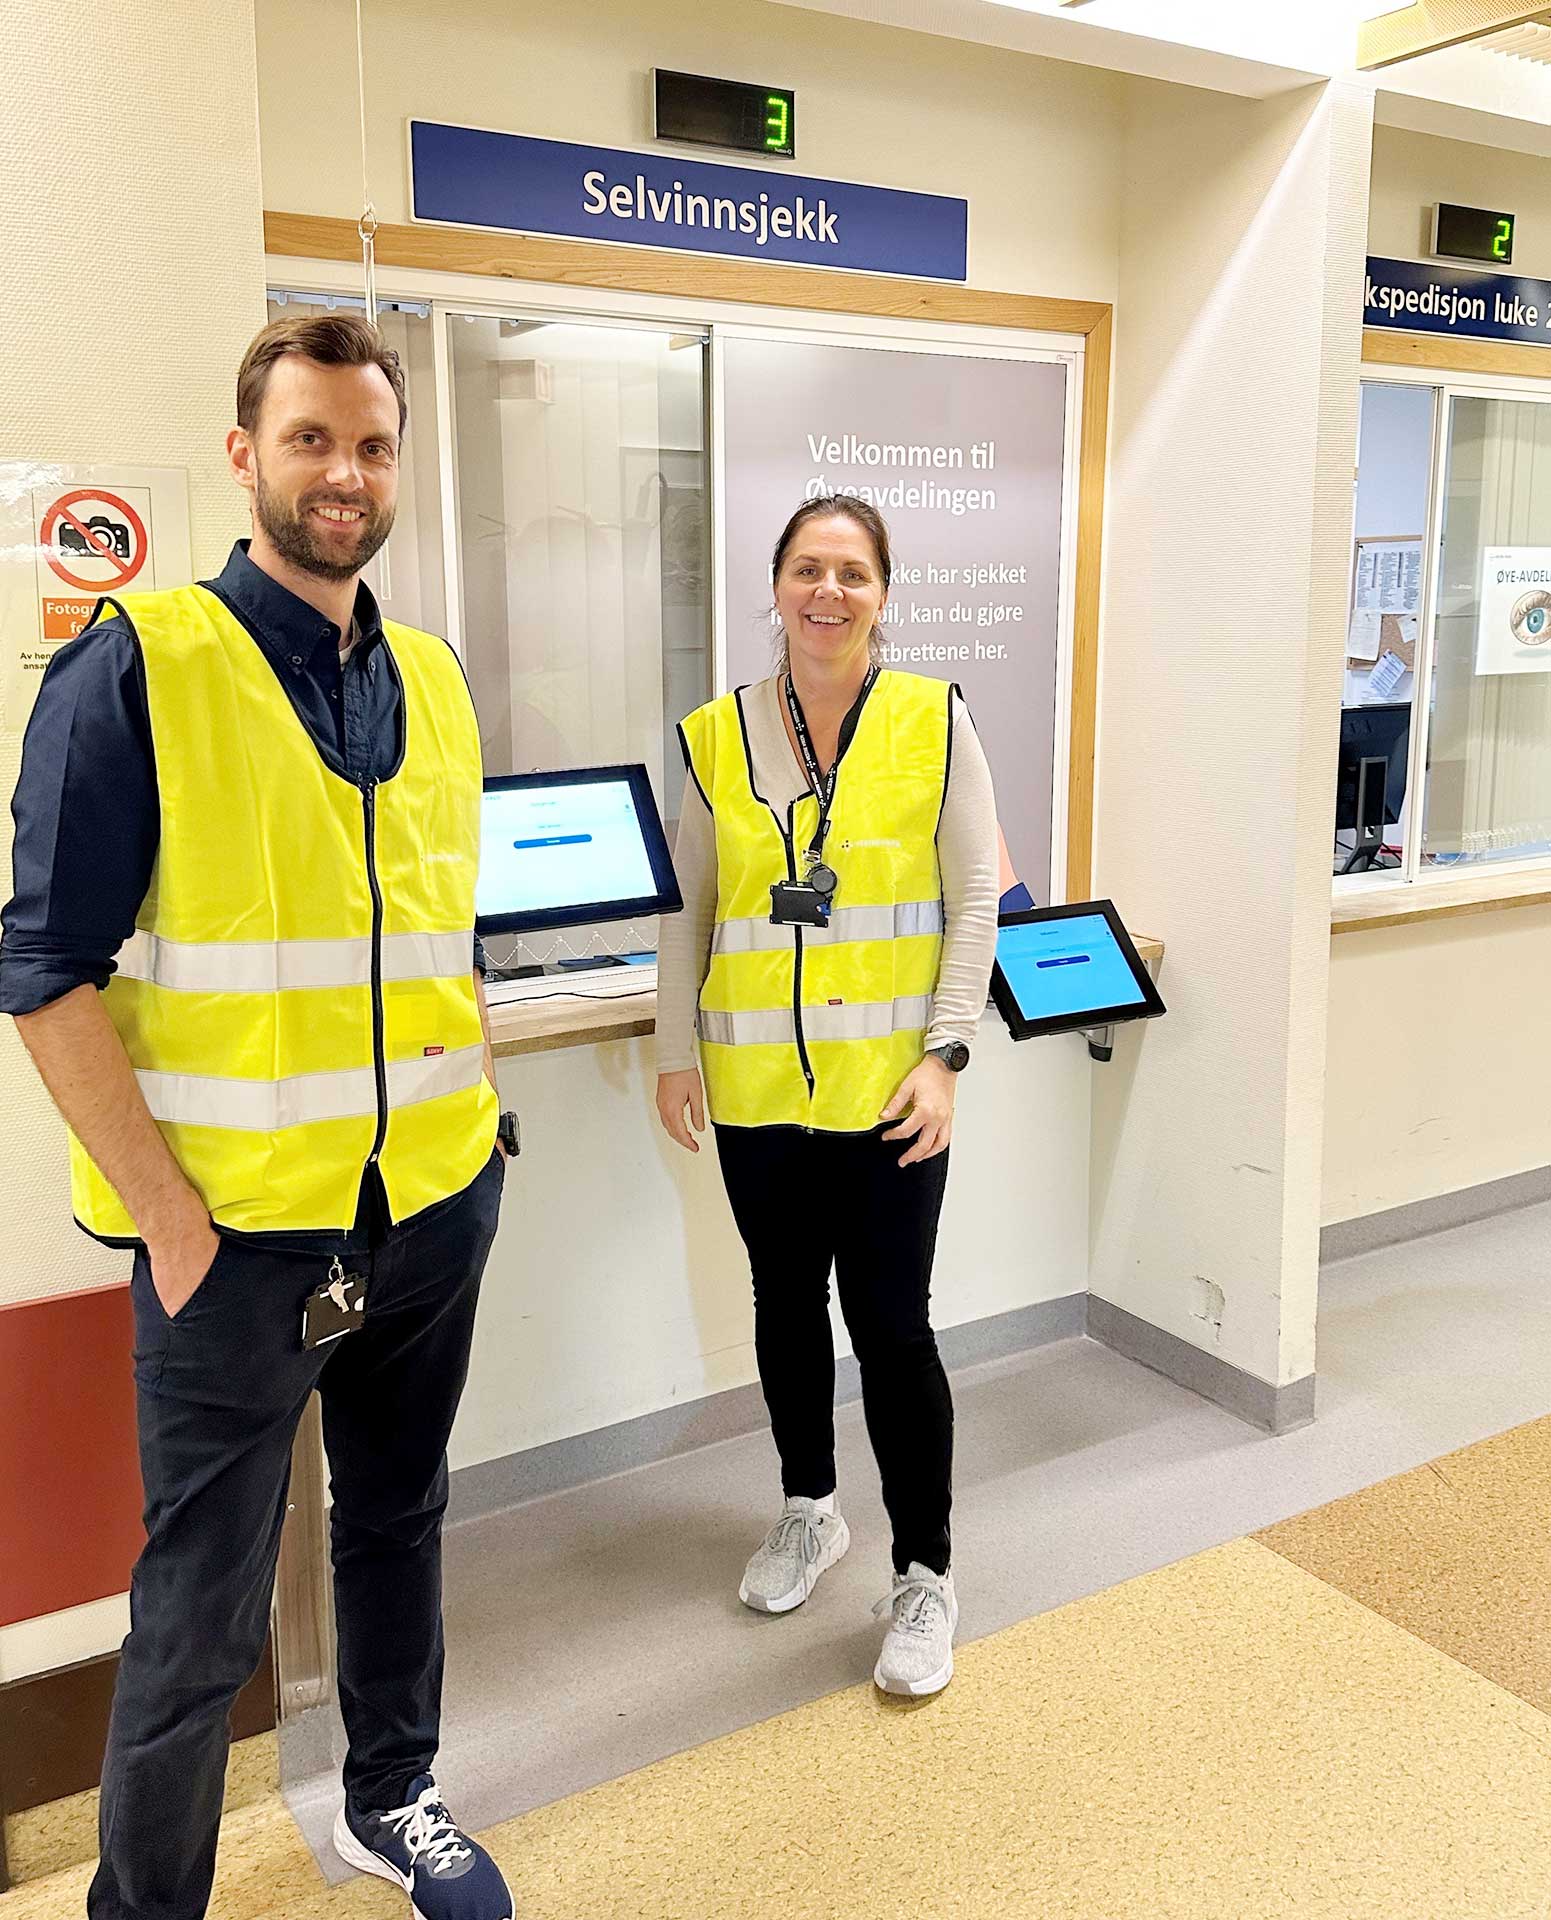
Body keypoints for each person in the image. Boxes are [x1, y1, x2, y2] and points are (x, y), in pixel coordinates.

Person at [0, 314, 522, 1920]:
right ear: (246, 456)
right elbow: (41, 971)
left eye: (370, 445)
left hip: (426, 1207)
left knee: (398, 1519)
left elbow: (437, 932)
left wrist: (478, 1130)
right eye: (310, 440)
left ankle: (387, 1798)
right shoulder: (135, 670)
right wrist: (162, 1211)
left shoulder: (430, 675)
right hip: (225, 1244)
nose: (344, 475)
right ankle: (144, 1905)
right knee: (201, 1609)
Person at [655, 496, 998, 1698]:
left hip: (892, 1101)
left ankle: (926, 1575)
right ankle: (811, 1508)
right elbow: (687, 906)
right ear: (777, 585)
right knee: (784, 1310)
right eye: (809, 568)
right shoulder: (712, 735)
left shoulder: (933, 720)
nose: (829, 592)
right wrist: (672, 1044)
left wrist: (946, 1054)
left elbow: (973, 902)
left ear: (884, 594)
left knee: (894, 1333)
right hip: (759, 1099)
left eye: (853, 572)